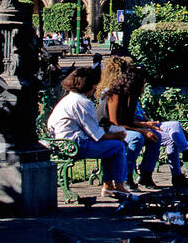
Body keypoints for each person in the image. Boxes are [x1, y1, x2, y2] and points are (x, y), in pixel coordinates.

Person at [97, 55, 188, 188]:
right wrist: (143, 130)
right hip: (109, 130)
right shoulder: (115, 94)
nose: (145, 86)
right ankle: (127, 176)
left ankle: (146, 175)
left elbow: (129, 121)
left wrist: (146, 125)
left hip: (125, 127)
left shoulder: (131, 96)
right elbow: (116, 124)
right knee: (137, 137)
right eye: (143, 83)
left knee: (157, 136)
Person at [46, 68, 129, 196]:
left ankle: (108, 186)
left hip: (62, 143)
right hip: (75, 144)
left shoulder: (67, 99)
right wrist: (117, 135)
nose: (95, 87)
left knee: (110, 148)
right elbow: (96, 134)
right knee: (118, 146)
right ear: (88, 85)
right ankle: (118, 185)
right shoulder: (83, 102)